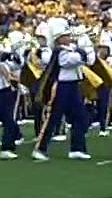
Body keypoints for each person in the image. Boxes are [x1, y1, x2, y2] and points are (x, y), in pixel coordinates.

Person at [32, 17, 93, 161]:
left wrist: (82, 51)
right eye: (66, 35)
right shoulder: (60, 51)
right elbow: (71, 61)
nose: (69, 37)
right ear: (59, 38)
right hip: (60, 87)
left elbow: (88, 60)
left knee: (79, 117)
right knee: (53, 118)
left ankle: (77, 148)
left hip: (73, 86)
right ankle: (40, 148)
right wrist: (82, 51)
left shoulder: (70, 49)